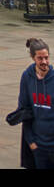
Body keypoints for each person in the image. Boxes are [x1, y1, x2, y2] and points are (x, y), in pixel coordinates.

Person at [16, 37, 54, 170]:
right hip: (38, 146)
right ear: (33, 58)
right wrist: (31, 142)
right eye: (40, 58)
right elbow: (24, 111)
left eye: (46, 57)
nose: (44, 62)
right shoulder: (27, 77)